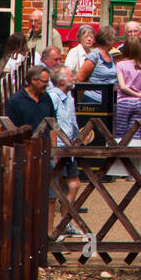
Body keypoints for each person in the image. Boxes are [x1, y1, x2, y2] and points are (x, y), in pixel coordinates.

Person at [47, 66, 82, 235]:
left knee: (74, 184)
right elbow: (51, 123)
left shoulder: (69, 97)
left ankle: (64, 223)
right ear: (61, 81)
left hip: (69, 146)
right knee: (54, 190)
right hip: (58, 147)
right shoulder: (53, 97)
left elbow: (71, 121)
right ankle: (51, 229)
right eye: (71, 76)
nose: (74, 78)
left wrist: (79, 136)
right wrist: (53, 149)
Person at [113, 37, 141, 138]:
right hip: (138, 104)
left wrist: (137, 94)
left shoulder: (120, 65)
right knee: (135, 134)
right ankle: (133, 153)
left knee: (120, 134)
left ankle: (120, 154)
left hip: (123, 102)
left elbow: (123, 87)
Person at [4, 64, 55, 131]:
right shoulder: (16, 101)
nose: (47, 85)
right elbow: (10, 129)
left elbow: (53, 125)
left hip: (45, 141)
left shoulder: (46, 97)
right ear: (33, 80)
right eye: (44, 81)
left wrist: (53, 141)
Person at [78, 25, 117, 105]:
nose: (115, 41)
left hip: (107, 101)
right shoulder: (94, 56)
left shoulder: (110, 56)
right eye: (113, 39)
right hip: (92, 100)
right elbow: (79, 79)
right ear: (108, 40)